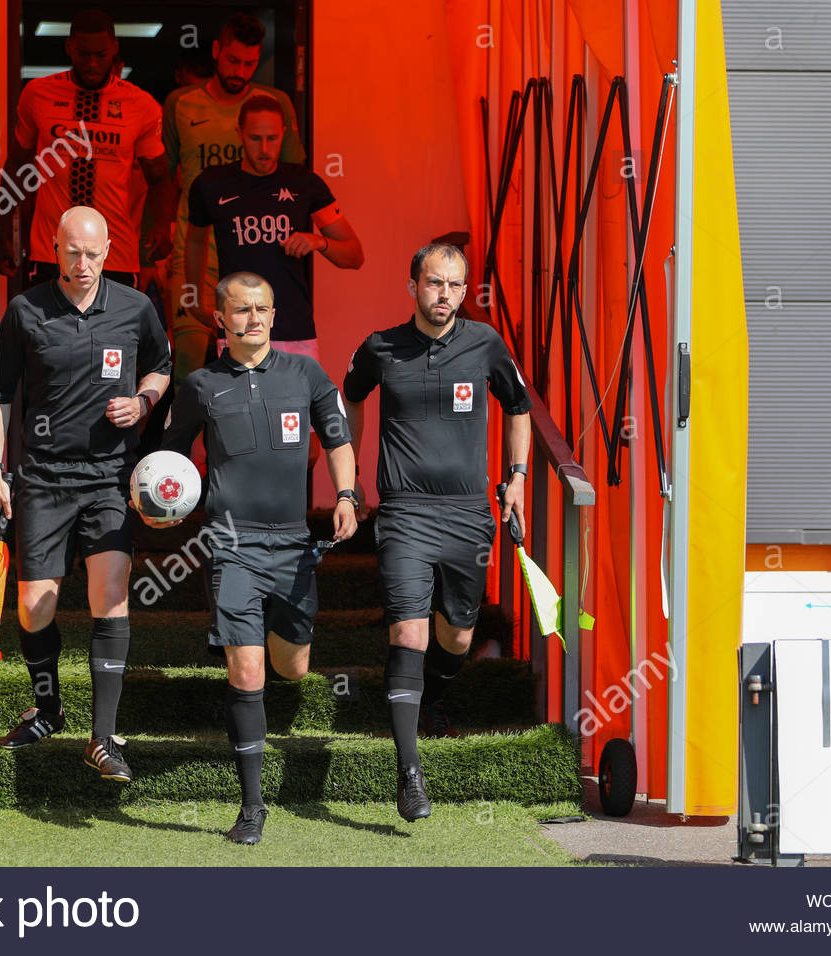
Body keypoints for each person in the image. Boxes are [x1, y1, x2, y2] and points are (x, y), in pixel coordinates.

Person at [143, 271, 358, 844]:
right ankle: (252, 807)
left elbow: (338, 439)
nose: (255, 319)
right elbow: (170, 458)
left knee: (294, 667)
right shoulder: (200, 385)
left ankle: (275, 648)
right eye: (242, 310)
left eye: (263, 308)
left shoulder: (306, 374)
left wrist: (345, 495)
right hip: (229, 543)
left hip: (292, 546)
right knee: (247, 669)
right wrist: (154, 500)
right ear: (221, 318)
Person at [342, 243, 531, 822]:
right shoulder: (380, 346)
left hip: (469, 514)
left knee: (457, 638)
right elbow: (349, 401)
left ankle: (435, 697)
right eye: (434, 283)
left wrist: (517, 477)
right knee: (409, 633)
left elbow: (519, 407)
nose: (444, 294)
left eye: (455, 284)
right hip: (403, 512)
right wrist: (351, 484)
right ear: (413, 286)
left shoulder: (486, 344)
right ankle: (409, 773)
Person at [0, 206, 171, 782]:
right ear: (54, 248)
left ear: (109, 249)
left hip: (110, 476)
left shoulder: (137, 308)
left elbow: (163, 367)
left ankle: (104, 737)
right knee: (34, 606)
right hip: (41, 476)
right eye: (71, 251)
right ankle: (47, 707)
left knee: (111, 597)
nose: (82, 263)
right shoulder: (25, 310)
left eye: (92, 252)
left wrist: (141, 402)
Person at [163, 13, 306, 383]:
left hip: (252, 254)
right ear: (216, 51)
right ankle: (181, 443)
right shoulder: (181, 104)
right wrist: (157, 239)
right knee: (190, 359)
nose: (240, 71)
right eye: (232, 60)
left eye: (249, 63)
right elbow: (164, 178)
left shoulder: (274, 104)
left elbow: (296, 181)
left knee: (250, 363)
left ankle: (232, 442)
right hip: (194, 255)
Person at [0, 8, 172, 288]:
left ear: (114, 49)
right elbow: (17, 165)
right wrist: (2, 228)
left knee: (113, 333)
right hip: (52, 251)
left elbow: (158, 175)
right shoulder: (38, 95)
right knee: (49, 333)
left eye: (100, 55)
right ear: (69, 47)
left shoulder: (141, 104)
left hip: (115, 254)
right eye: (83, 54)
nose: (91, 64)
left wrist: (162, 227)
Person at [185, 94, 363, 360]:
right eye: (255, 139)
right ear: (240, 134)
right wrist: (196, 299)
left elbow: (354, 255)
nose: (265, 149)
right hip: (237, 330)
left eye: (272, 139)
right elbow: (195, 241)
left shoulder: (304, 183)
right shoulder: (211, 184)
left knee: (295, 403)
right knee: (238, 402)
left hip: (294, 331)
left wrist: (319, 242)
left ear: (283, 134)